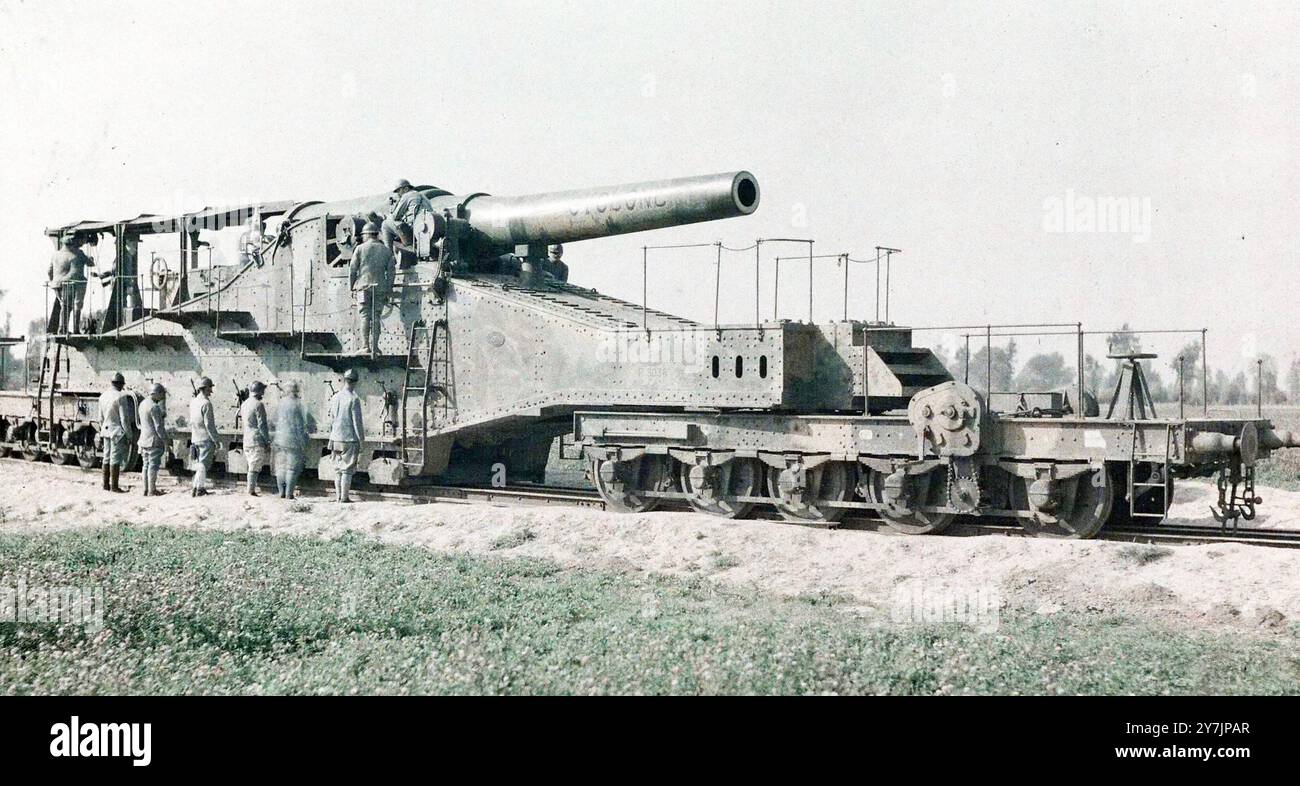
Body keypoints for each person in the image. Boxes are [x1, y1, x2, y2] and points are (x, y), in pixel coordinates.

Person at [349, 222, 395, 355]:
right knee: (376, 317)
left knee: (364, 316)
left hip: (363, 288)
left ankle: (365, 346)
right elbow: (391, 272)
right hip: (380, 288)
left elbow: (352, 270)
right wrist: (388, 288)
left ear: (366, 235)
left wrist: (351, 287)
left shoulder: (360, 249)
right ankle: (375, 347)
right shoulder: (386, 250)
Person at [327, 368, 365, 503]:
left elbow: (331, 418)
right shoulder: (354, 399)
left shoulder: (335, 397)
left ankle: (338, 496)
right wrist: (361, 440)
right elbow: (357, 423)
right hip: (349, 439)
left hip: (335, 438)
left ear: (344, 380)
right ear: (355, 382)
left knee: (337, 469)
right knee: (347, 470)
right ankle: (344, 497)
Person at [48, 233, 93, 334]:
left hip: (56, 285)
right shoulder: (76, 255)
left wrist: (54, 281)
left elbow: (49, 271)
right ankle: (74, 329)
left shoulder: (55, 255)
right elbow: (75, 272)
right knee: (76, 305)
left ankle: (62, 328)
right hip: (70, 285)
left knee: (65, 306)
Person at [99, 372, 136, 493]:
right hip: (117, 432)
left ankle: (105, 485)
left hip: (106, 430)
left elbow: (100, 418)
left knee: (106, 457)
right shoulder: (121, 396)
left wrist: (103, 428)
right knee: (115, 459)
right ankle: (114, 487)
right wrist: (129, 435)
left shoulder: (103, 396)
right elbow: (124, 419)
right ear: (120, 384)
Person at [273, 380, 308, 499]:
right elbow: (300, 425)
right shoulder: (298, 404)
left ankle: (281, 493)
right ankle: (289, 494)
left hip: (280, 439)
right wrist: (302, 441)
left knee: (280, 467)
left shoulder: (280, 403)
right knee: (291, 468)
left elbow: (273, 420)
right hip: (293, 439)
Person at [381, 179, 432, 255]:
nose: (398, 194)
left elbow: (395, 216)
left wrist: (395, 206)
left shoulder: (406, 196)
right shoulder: (423, 196)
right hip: (425, 228)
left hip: (413, 230)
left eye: (399, 191)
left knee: (385, 225)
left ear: (406, 189)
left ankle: (389, 256)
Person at [189, 376, 219, 497]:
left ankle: (195, 487)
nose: (211, 390)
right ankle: (199, 489)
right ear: (205, 388)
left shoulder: (193, 402)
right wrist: (216, 440)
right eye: (210, 387)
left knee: (200, 464)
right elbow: (209, 425)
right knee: (203, 465)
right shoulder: (206, 403)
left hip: (195, 437)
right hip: (205, 438)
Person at [240, 380, 271, 496]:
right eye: (262, 390)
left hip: (247, 439)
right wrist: (267, 441)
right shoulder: (258, 404)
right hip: (256, 439)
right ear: (259, 391)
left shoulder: (244, 404)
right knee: (254, 466)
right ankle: (250, 490)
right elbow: (262, 425)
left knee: (251, 464)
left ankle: (250, 488)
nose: (263, 393)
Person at [137, 383, 168, 497]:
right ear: (157, 393)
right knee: (153, 465)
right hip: (153, 440)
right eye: (162, 394)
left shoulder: (143, 404)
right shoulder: (154, 407)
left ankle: (145, 489)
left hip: (143, 439)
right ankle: (152, 490)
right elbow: (159, 427)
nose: (163, 397)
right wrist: (165, 441)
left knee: (145, 465)